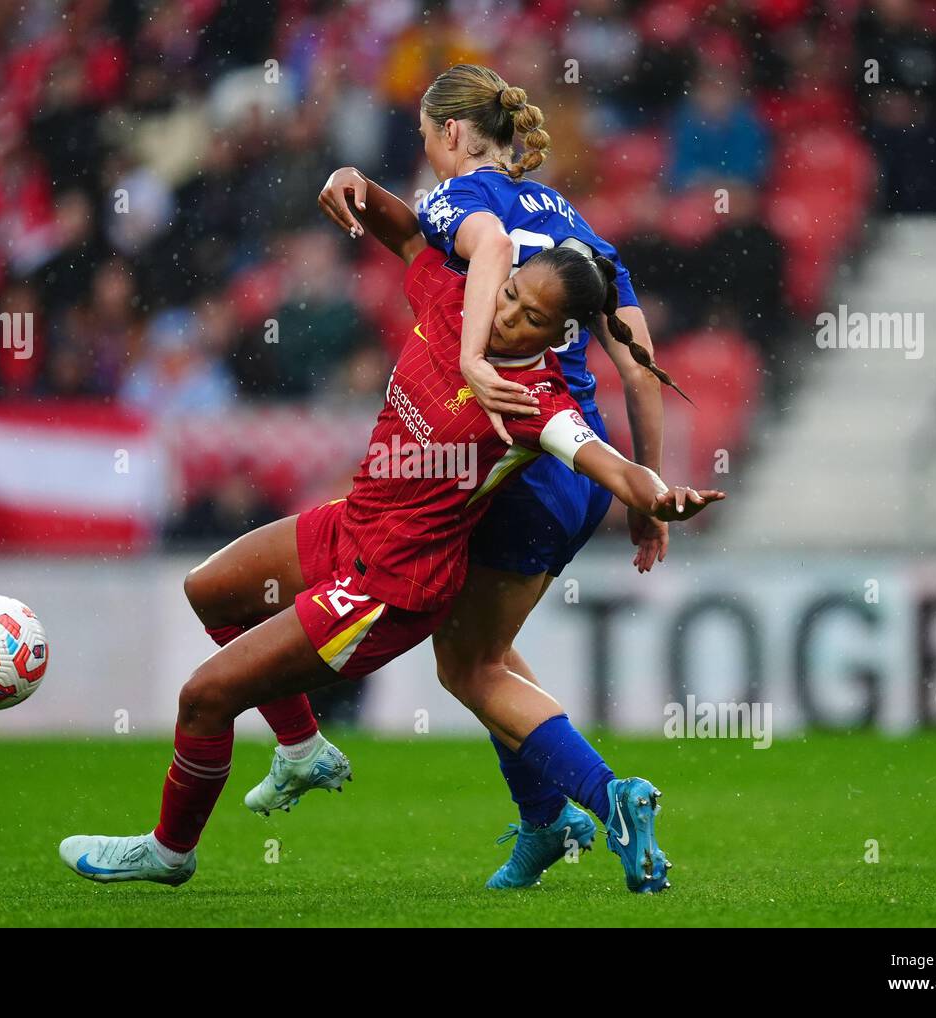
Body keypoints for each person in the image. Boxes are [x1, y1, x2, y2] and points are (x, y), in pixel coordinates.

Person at [59, 186, 723, 894]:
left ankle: (169, 851)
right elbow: (406, 236)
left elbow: (604, 462)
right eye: (509, 297)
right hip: (352, 525)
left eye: (534, 319)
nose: (509, 319)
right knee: (211, 592)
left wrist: (657, 494)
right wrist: (358, 186)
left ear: (558, 336)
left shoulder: (536, 400)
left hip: (388, 586)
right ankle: (302, 747)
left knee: (204, 698)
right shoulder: (450, 302)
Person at [237, 64, 682, 890]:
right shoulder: (579, 227)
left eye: (423, 137)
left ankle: (604, 798)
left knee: (469, 667)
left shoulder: (462, 199)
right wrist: (644, 490)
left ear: (450, 135)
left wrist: (476, 357)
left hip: (522, 450)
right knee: (485, 655)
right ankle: (543, 825)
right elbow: (640, 364)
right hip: (581, 464)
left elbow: (475, 250)